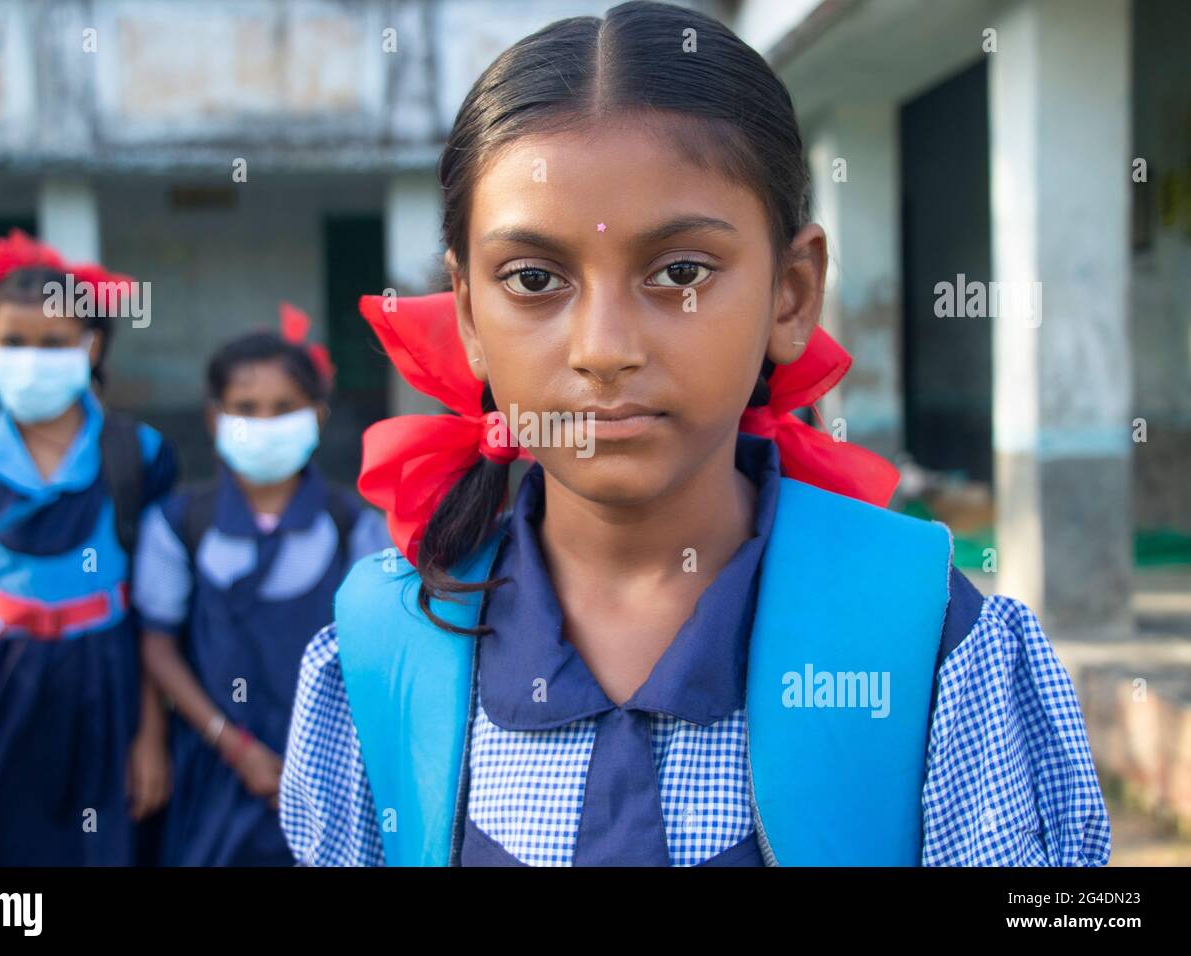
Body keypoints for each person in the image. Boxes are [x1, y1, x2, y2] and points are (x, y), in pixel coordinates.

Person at [279, 0, 1111, 867]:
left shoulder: (931, 646)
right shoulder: (382, 653)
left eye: (680, 271)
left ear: (791, 293)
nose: (603, 349)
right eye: (532, 278)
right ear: (468, 317)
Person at [0, 229, 176, 865]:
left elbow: (151, 611)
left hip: (106, 684)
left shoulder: (137, 455)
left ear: (91, 345)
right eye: (14, 342)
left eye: (54, 343)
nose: (32, 359)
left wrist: (150, 734)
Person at [132, 307, 390, 866]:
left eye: (284, 408)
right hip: (212, 767)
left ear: (317, 416)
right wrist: (233, 745)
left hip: (333, 773)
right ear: (214, 417)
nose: (265, 423)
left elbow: (378, 654)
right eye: (246, 408)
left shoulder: (355, 526)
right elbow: (157, 646)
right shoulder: (178, 525)